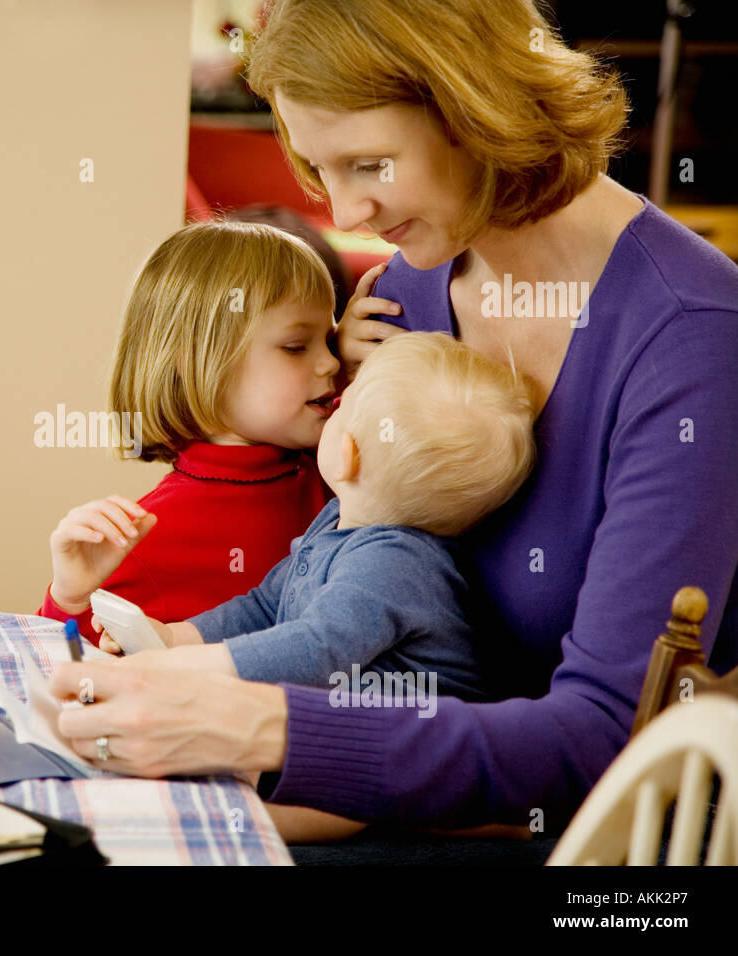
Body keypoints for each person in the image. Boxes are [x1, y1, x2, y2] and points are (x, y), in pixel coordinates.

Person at [49, 0, 738, 846]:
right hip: (376, 802)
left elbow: (605, 740)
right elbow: (328, 529)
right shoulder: (405, 294)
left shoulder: (693, 338)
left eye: (369, 163)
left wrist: (255, 721)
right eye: (317, 170)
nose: (344, 215)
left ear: (475, 104)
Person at [117, 331, 535, 707]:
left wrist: (192, 666)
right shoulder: (336, 521)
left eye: (339, 409)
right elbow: (265, 605)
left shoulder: (391, 564)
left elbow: (315, 650)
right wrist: (177, 637)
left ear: (346, 455)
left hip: (416, 758)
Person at [37, 220, 338, 645]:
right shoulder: (148, 536)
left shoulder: (338, 462)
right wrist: (69, 598)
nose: (330, 363)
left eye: (332, 340)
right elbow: (62, 667)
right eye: (296, 347)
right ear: (194, 360)